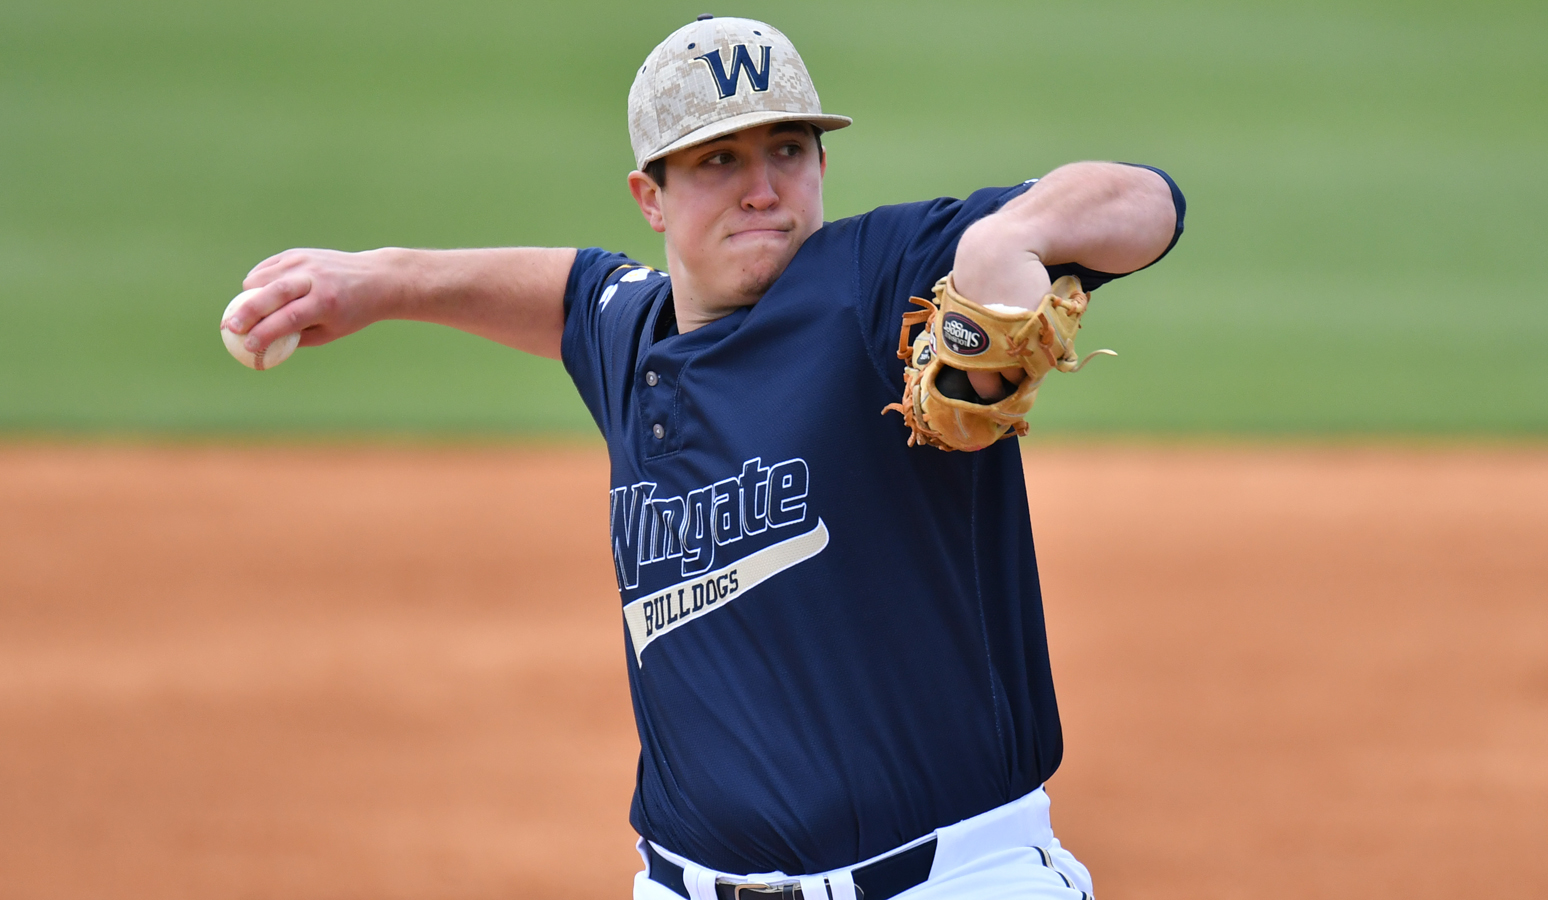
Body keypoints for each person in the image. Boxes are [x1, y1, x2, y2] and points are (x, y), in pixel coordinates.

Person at [224, 15, 1184, 900]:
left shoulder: (879, 279)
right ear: (650, 196)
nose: (764, 187)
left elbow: (1147, 202)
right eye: (718, 160)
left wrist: (1012, 235)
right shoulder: (630, 335)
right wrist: (378, 279)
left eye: (787, 150)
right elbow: (563, 291)